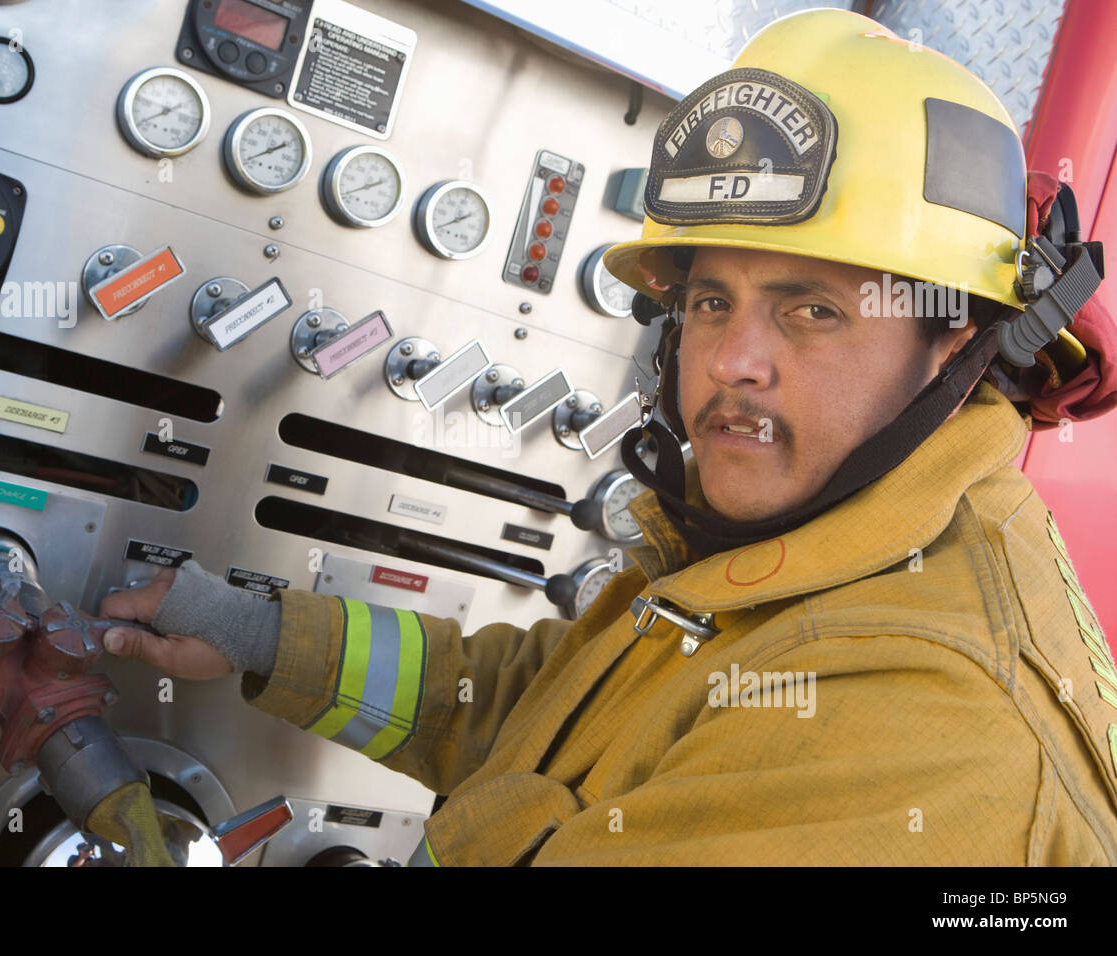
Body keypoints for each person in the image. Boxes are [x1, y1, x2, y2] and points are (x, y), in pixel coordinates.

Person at [100, 8, 1117, 865]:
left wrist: (115, 808)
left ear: (955, 342)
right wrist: (260, 634)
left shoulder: (916, 731)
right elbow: (542, 716)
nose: (729, 362)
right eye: (711, 300)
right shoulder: (793, 554)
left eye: (811, 309)